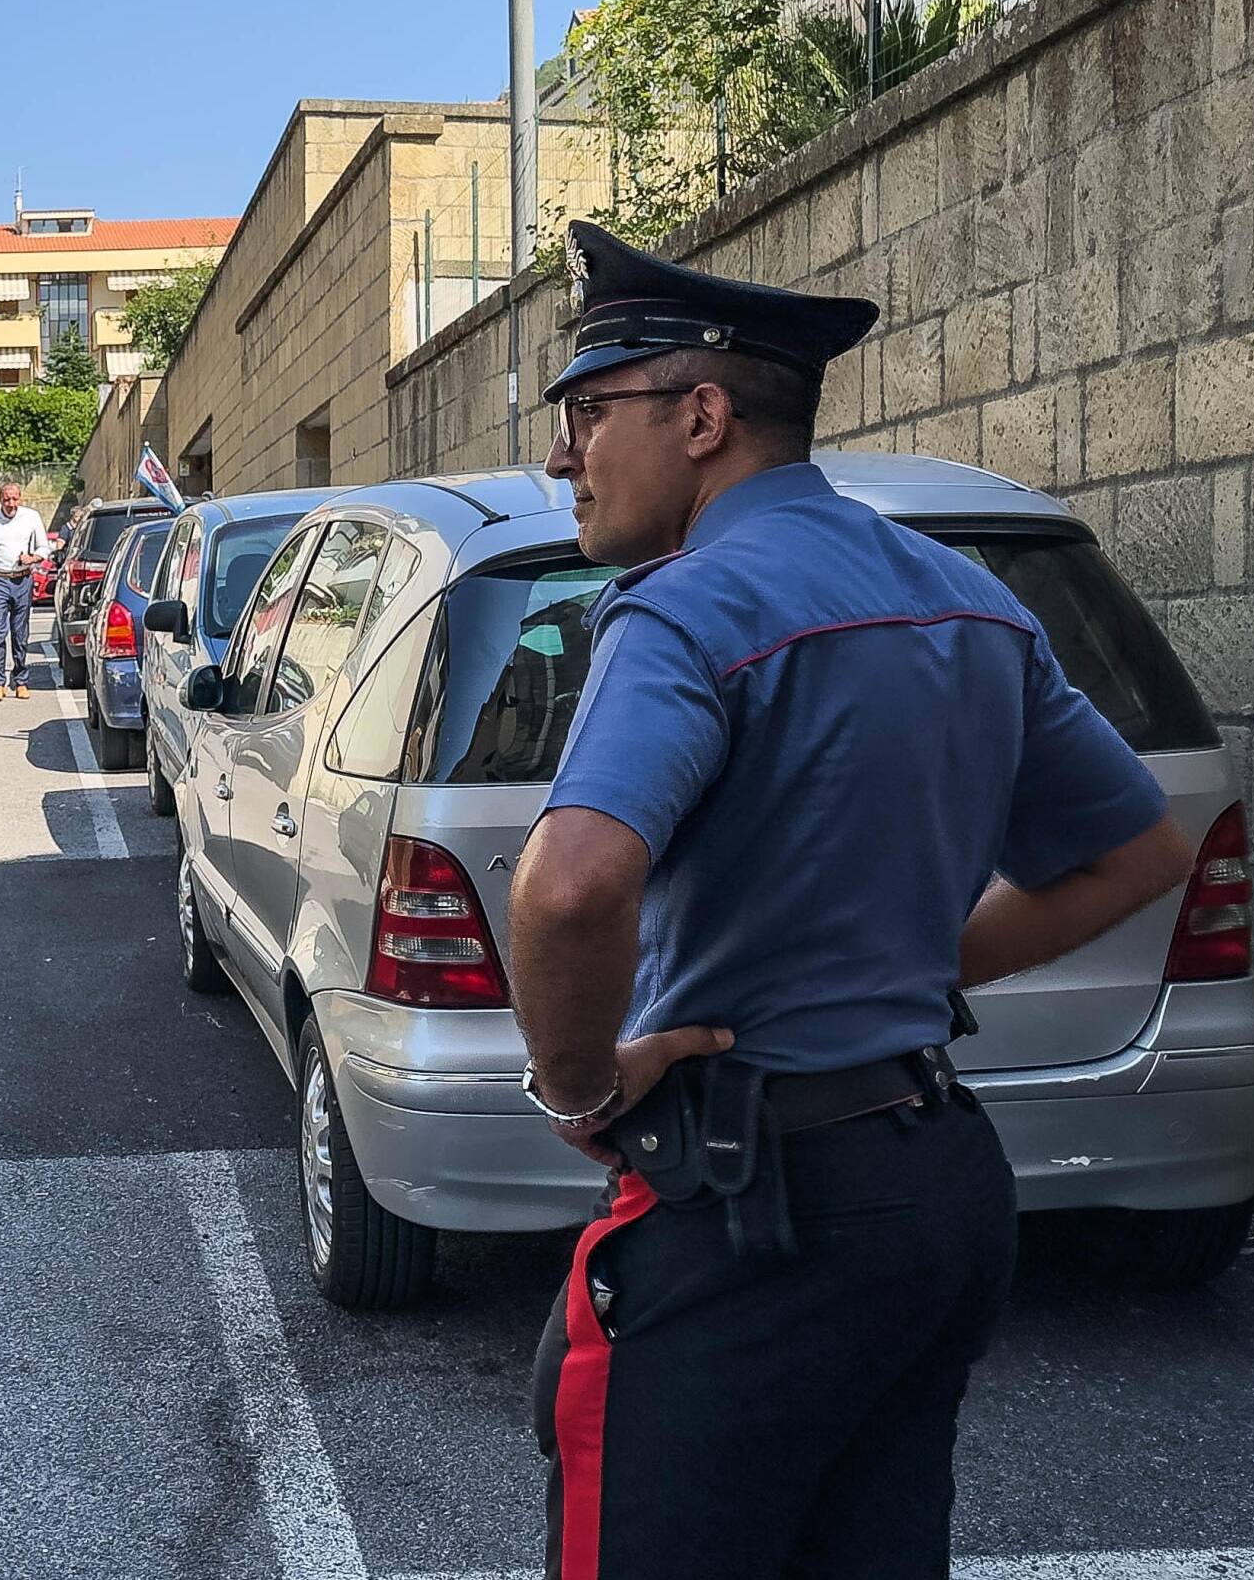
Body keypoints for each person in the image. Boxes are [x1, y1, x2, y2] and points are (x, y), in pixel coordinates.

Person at [507, 221, 1194, 1580]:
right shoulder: (965, 596)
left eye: (587, 412)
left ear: (700, 416)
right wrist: (917, 965)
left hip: (753, 1202)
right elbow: (1140, 852)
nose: (561, 456)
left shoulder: (681, 608)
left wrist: (579, 1091)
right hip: (931, 1180)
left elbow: (570, 886)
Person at [0, 480, 51, 702]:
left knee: (20, 633)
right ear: (0, 500)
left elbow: (44, 547)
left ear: (20, 498)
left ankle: (21, 681)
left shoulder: (31, 517)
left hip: (22, 580)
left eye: (15, 499)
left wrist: (32, 558)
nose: (11, 504)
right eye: (7, 499)